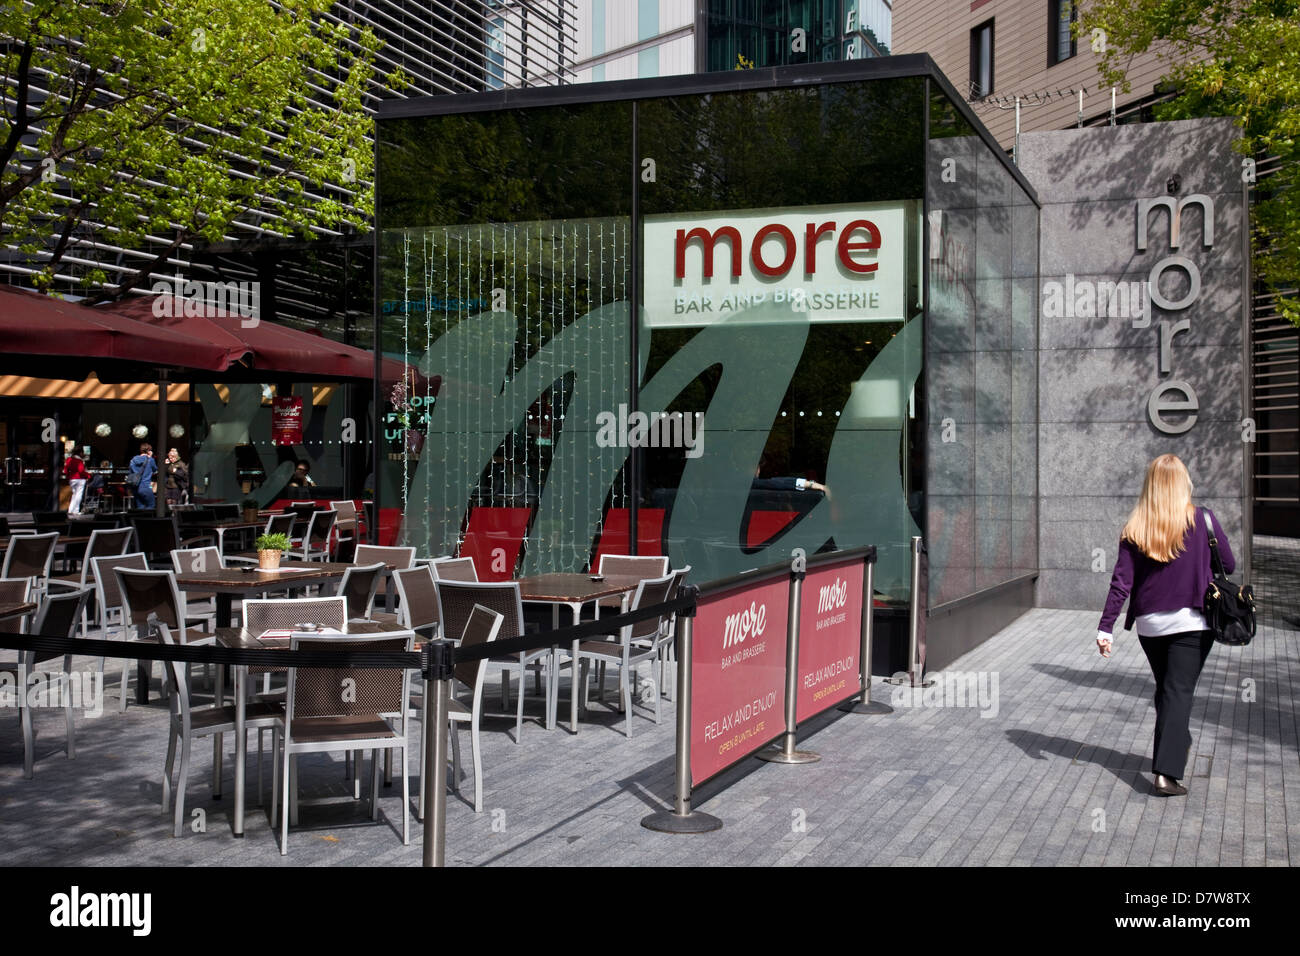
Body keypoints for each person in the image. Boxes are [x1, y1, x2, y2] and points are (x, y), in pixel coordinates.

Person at [1097, 453, 1234, 797]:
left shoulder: (1135, 527)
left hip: (1150, 626)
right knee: (1178, 691)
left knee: (1169, 688)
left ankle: (1177, 741)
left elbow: (1121, 583)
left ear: (1151, 486)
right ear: (1183, 483)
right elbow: (1229, 565)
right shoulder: (1203, 519)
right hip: (1192, 623)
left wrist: (1105, 628)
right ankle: (1166, 773)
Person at [128, 443, 158, 511]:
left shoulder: (133, 460)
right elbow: (155, 470)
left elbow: (130, 472)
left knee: (140, 507)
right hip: (146, 486)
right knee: (151, 505)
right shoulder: (150, 460)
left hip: (135, 487)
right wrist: (150, 457)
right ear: (149, 451)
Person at [63, 443, 88, 515]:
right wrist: (89, 476)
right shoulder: (80, 461)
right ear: (80, 453)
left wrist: (68, 476)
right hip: (80, 479)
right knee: (78, 495)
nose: (83, 454)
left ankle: (71, 510)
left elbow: (65, 470)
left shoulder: (69, 459)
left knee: (74, 495)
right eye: (82, 452)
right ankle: (76, 510)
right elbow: (81, 471)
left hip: (72, 479)